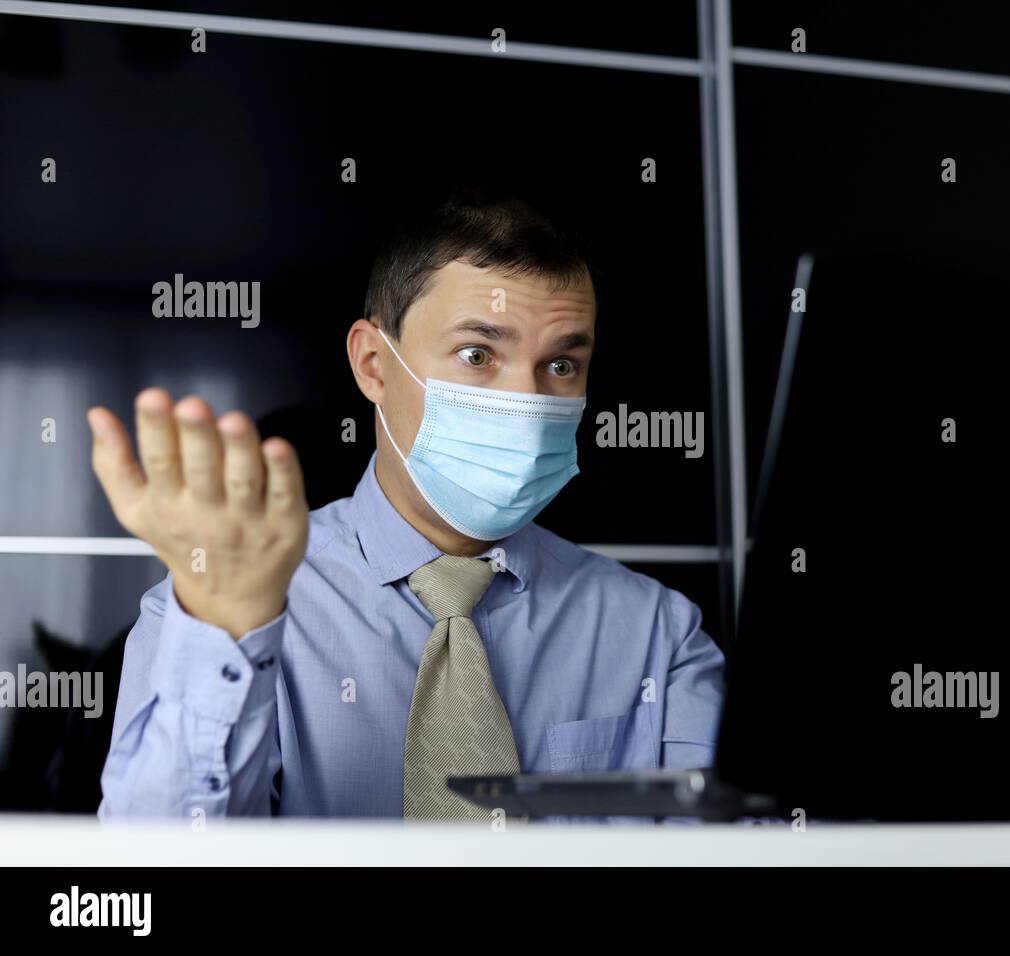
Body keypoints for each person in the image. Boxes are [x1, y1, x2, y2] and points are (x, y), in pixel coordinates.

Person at [87, 189, 726, 819]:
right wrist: (225, 629)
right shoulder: (223, 607)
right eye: (478, 355)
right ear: (373, 365)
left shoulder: (656, 636)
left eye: (560, 365)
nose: (528, 404)